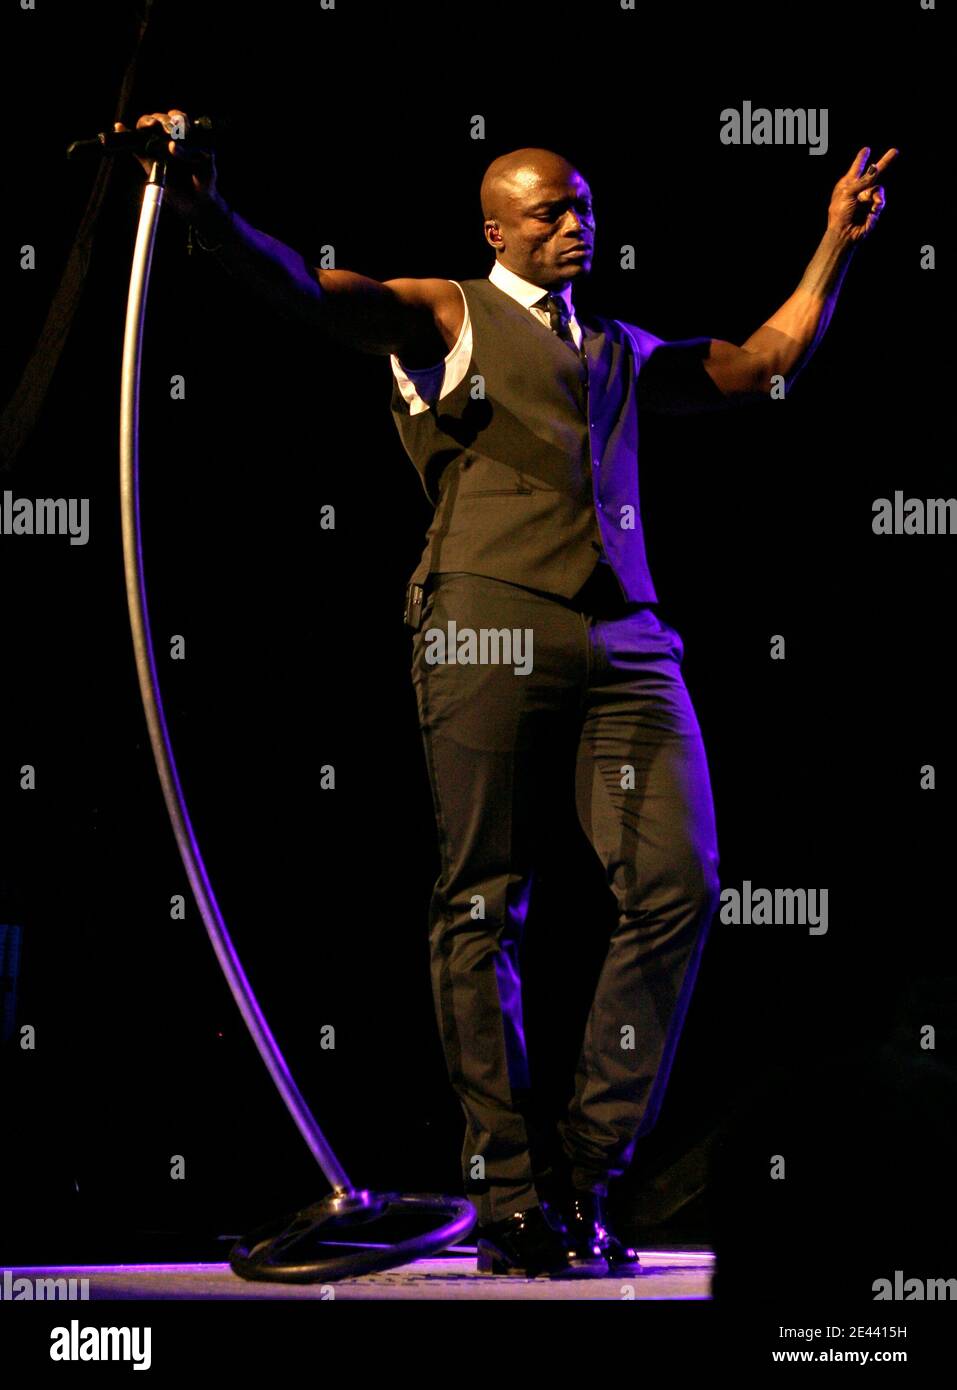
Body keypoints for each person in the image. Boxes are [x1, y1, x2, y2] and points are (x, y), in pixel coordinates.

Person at [118, 112, 896, 1278]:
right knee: (485, 899)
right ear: (499, 228)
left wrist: (836, 241)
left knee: (679, 881)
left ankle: (585, 1172)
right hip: (488, 621)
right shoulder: (448, 313)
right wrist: (205, 213)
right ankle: (512, 1191)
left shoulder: (622, 347)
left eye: (586, 208)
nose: (578, 225)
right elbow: (319, 294)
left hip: (629, 640)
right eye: (552, 212)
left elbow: (763, 361)